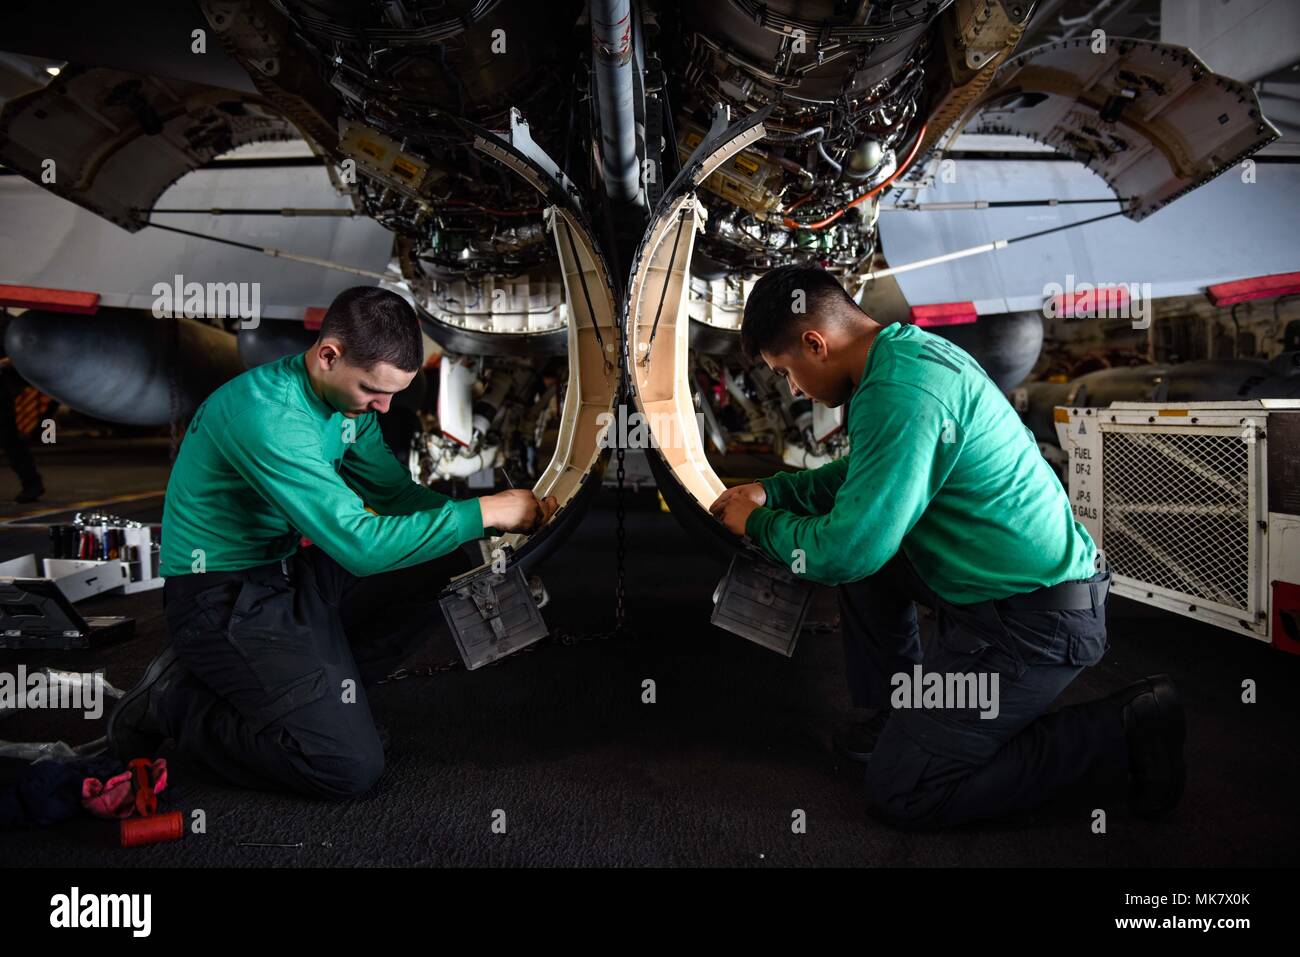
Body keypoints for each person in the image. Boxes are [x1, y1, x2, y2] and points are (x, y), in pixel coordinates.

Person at [710, 266, 1185, 830]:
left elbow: (847, 549)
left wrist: (760, 525)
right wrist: (776, 490)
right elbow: (864, 479)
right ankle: (902, 713)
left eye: (786, 372)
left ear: (816, 343)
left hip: (1035, 625)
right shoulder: (900, 354)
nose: (792, 388)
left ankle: (1127, 725)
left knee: (904, 791)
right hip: (998, 591)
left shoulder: (899, 391)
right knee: (875, 558)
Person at [108, 286, 555, 800]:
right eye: (372, 390)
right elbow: (361, 547)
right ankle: (174, 704)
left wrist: (493, 529)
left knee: (443, 559)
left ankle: (322, 695)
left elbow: (393, 495)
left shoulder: (349, 407)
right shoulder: (269, 417)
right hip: (220, 599)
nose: (383, 408)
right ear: (328, 356)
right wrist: (486, 510)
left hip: (285, 574)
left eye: (391, 394)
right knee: (346, 768)